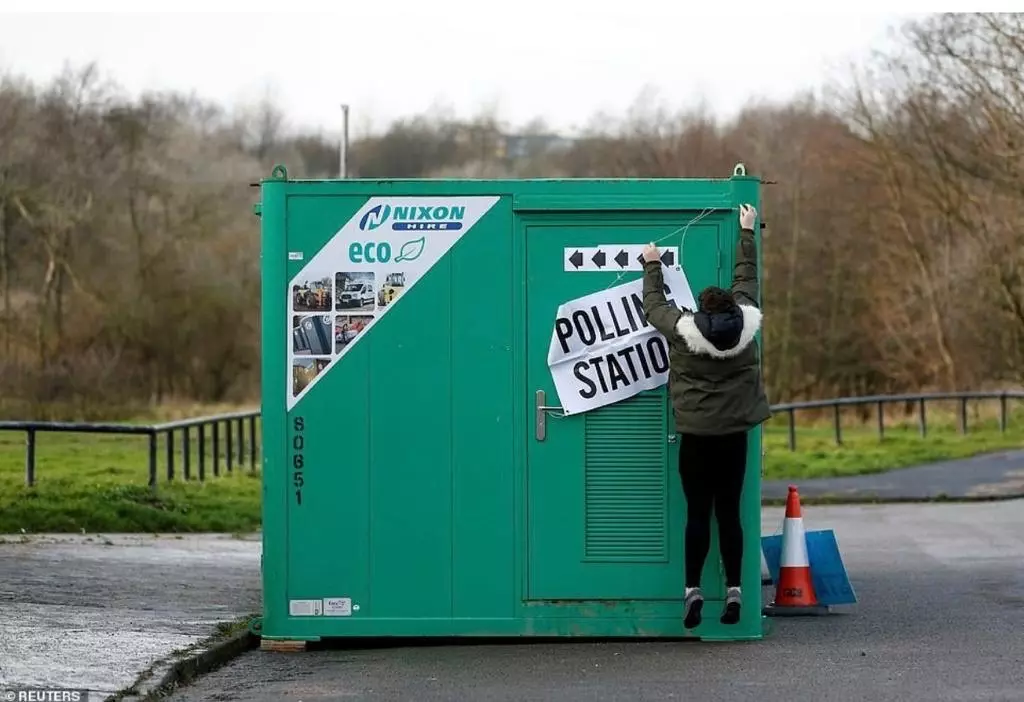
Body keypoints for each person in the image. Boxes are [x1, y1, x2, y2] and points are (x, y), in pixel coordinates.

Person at [640, 203, 771, 629]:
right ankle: (734, 591)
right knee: (729, 512)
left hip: (696, 438)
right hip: (734, 437)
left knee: (698, 514)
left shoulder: (682, 331)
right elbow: (746, 279)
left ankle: (692, 590)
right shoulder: (748, 324)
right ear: (732, 311)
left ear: (700, 310)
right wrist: (746, 231)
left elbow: (653, 306)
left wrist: (653, 264)